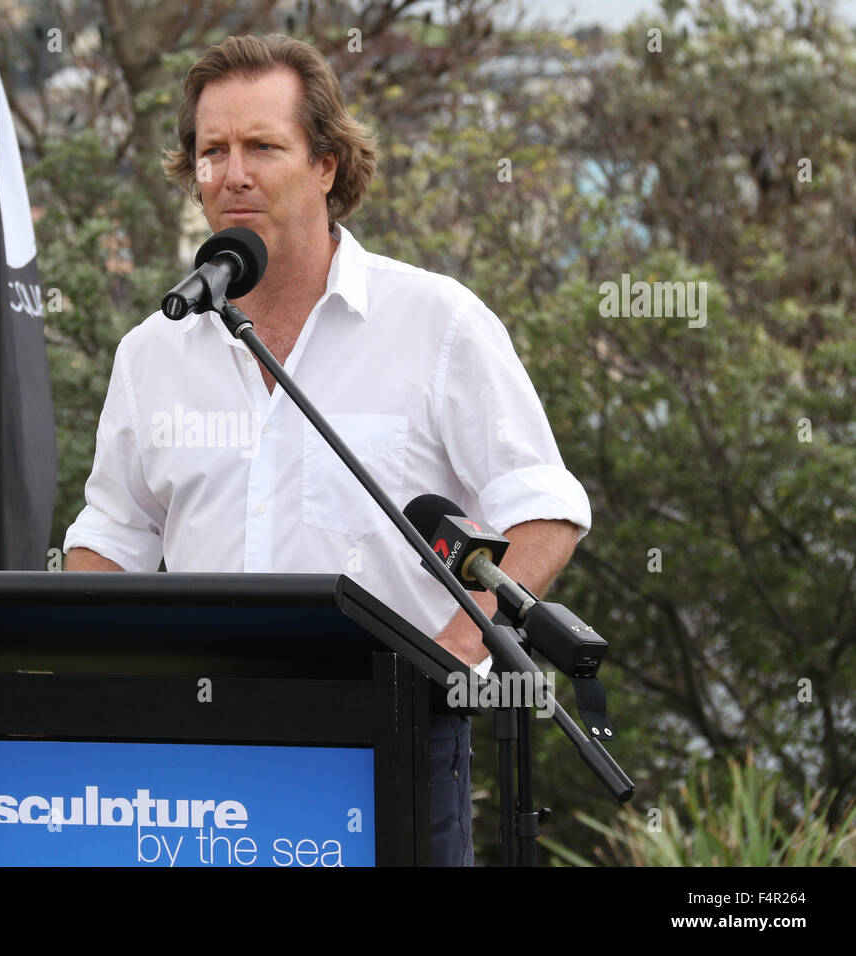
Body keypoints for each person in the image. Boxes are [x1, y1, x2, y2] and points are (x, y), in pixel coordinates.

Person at [62, 33, 590, 866]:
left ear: (328, 166)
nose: (232, 174)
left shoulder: (435, 322)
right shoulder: (151, 352)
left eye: (262, 147)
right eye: (211, 151)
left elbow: (545, 508)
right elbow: (112, 538)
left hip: (390, 742)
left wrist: (450, 656)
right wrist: (97, 682)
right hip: (202, 754)